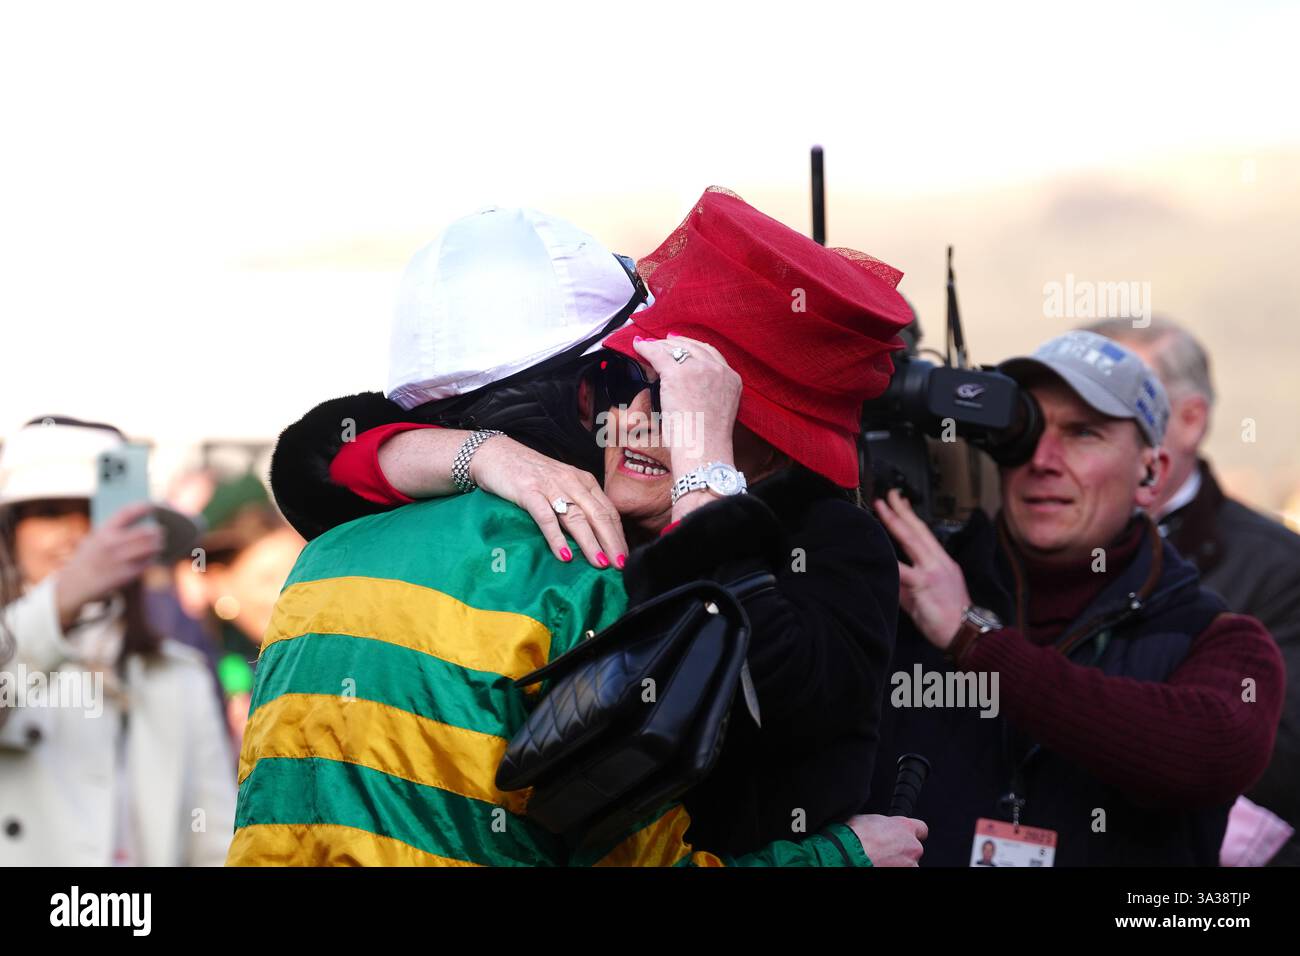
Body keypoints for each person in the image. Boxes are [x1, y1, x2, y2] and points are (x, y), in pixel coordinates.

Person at [230, 197, 925, 865]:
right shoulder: (567, 519)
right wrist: (486, 454)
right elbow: (312, 464)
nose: (640, 415)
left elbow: (774, 689)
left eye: (682, 398)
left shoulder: (835, 539)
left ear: (766, 440)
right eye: (633, 379)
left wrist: (706, 479)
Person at [866, 331, 1285, 866]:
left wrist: (974, 637)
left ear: (1151, 473)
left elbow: (1205, 755)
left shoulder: (1219, 640)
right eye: (1026, 429)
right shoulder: (904, 596)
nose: (1042, 459)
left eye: (1083, 433)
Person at [1085, 316, 1300, 865]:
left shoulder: (1277, 568)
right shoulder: (1026, 547)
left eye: (1109, 410)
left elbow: (1274, 764)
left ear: (1189, 420)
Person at [0, 417, 237, 866]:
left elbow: (213, 843)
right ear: (9, 537)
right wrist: (63, 599)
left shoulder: (178, 676)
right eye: (50, 511)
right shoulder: (17, 655)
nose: (79, 535)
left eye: (98, 512)